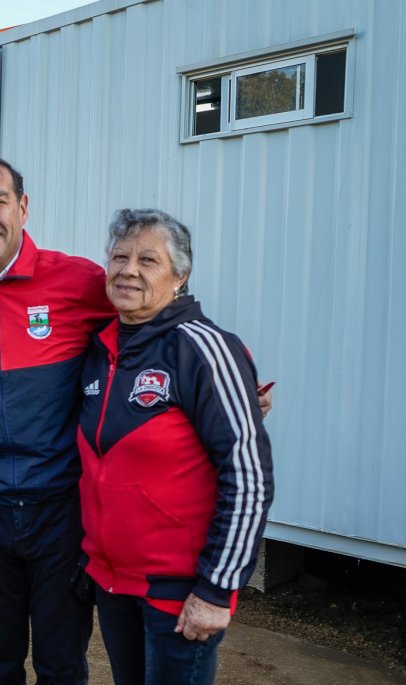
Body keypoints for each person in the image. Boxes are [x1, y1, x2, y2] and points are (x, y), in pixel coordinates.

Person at [0, 155, 115, 685]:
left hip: (61, 510)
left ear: (23, 208)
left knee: (62, 667)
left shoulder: (81, 282)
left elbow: (152, 328)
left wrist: (223, 384)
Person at [77, 209, 274, 685]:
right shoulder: (100, 349)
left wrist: (216, 589)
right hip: (113, 582)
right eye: (119, 256)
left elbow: (248, 477)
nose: (128, 269)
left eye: (149, 260)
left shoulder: (205, 348)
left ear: (180, 276)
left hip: (181, 593)